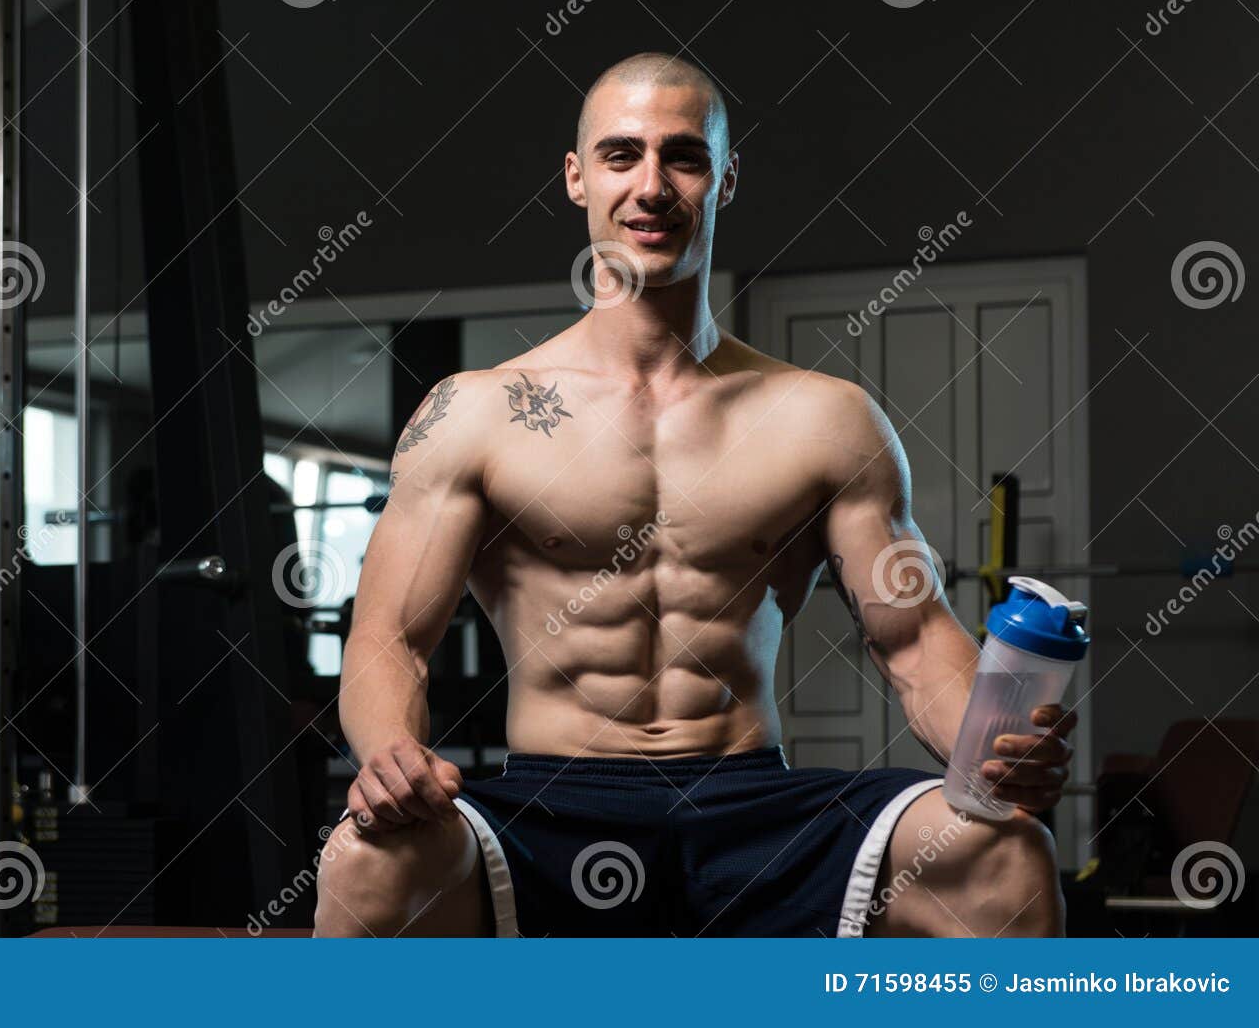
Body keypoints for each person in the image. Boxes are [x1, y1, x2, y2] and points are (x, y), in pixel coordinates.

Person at [313, 52, 1075, 937]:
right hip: (550, 808)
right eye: (621, 154)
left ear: (725, 177)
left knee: (1001, 848)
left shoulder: (823, 419)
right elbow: (388, 642)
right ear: (576, 178)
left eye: (684, 156)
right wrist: (392, 756)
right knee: (370, 854)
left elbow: (913, 644)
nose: (652, 185)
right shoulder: (476, 414)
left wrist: (994, 747)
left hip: (756, 807)